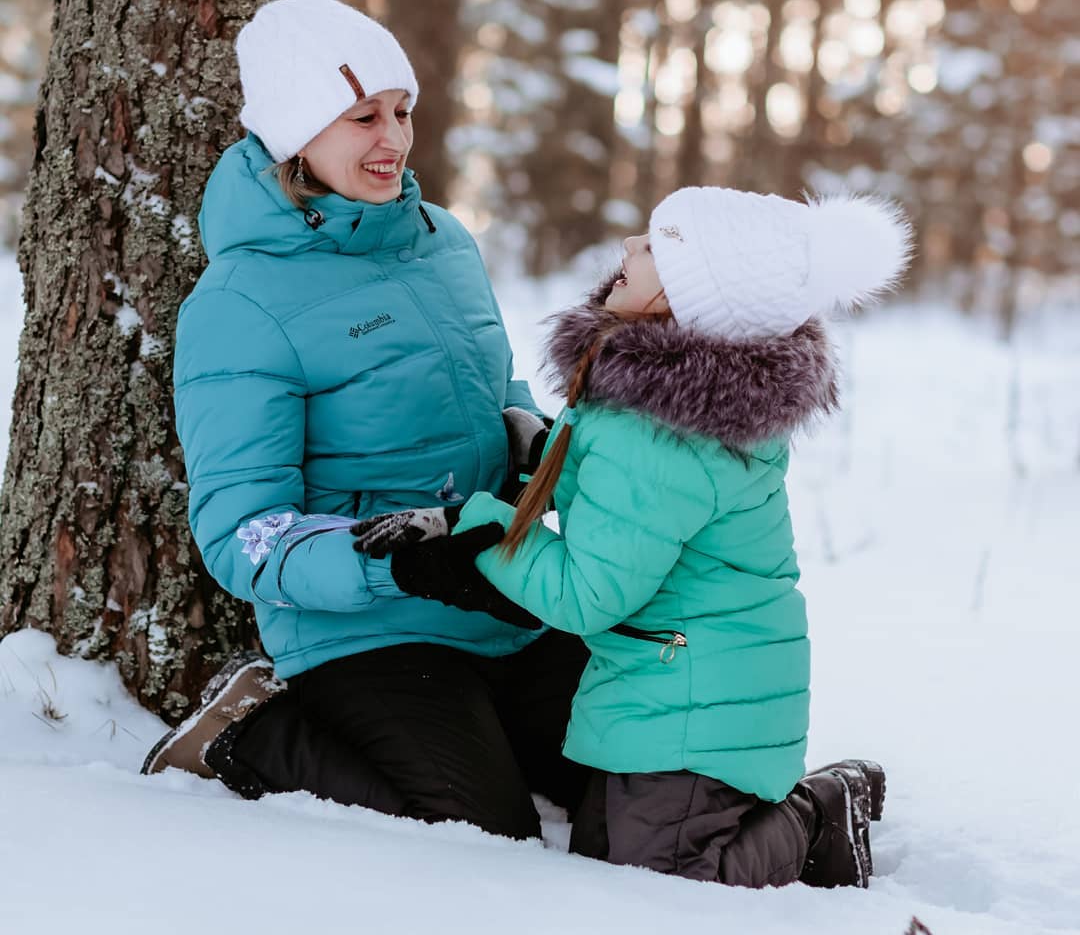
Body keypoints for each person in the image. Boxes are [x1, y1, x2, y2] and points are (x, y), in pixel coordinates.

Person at [351, 186, 911, 887]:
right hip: (679, 681)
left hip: (691, 708)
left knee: (667, 876)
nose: (630, 248)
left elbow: (590, 594)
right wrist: (553, 453)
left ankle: (818, 815)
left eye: (659, 246)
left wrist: (480, 532)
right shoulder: (671, 415)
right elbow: (635, 500)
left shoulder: (656, 434)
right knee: (605, 854)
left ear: (696, 301)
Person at [142, 0, 587, 841]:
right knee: (483, 834)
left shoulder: (443, 240)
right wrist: (402, 565)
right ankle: (251, 737)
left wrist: (531, 440)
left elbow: (494, 391)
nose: (393, 139)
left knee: (634, 780)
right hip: (366, 629)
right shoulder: (241, 302)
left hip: (502, 596)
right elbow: (243, 533)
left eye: (401, 112)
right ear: (294, 133)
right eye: (361, 118)